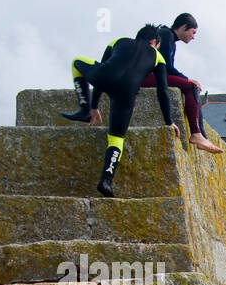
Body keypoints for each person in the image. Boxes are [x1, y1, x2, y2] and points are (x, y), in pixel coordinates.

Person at [62, 24, 178, 197]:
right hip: (127, 93)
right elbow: (162, 91)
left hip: (105, 77)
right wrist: (169, 121)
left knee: (76, 62)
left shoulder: (118, 41)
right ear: (154, 41)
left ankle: (83, 108)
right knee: (116, 138)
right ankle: (106, 181)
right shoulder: (158, 57)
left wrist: (93, 106)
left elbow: (103, 68)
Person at [143, 13, 221, 153]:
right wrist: (186, 79)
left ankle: (201, 135)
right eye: (193, 32)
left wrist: (184, 79)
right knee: (191, 87)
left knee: (191, 86)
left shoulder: (169, 38)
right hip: (146, 76)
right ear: (184, 27)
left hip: (150, 75)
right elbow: (166, 67)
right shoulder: (166, 35)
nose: (193, 37)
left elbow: (167, 69)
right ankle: (198, 135)